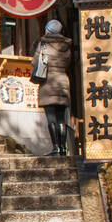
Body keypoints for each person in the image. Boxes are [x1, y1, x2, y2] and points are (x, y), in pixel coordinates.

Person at [34, 19, 74, 156]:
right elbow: (68, 63)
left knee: (51, 117)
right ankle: (63, 148)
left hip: (48, 83)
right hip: (63, 81)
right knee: (62, 117)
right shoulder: (66, 46)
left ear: (47, 30)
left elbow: (35, 62)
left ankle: (56, 146)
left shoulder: (44, 44)